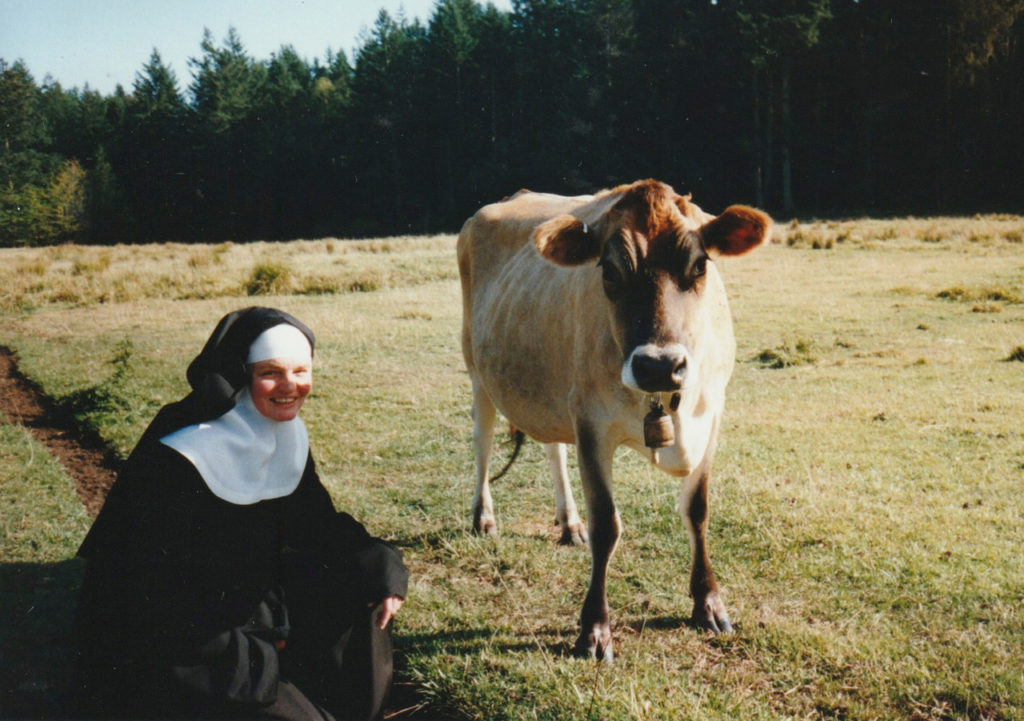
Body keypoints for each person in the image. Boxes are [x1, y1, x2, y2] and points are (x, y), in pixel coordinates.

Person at [71, 306, 408, 721]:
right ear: (240, 374)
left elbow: (315, 524)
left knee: (365, 588)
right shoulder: (184, 453)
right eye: (272, 372)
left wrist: (381, 564)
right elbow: (147, 589)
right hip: (192, 641)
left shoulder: (284, 432)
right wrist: (249, 654)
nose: (290, 386)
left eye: (301, 371)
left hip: (254, 617)